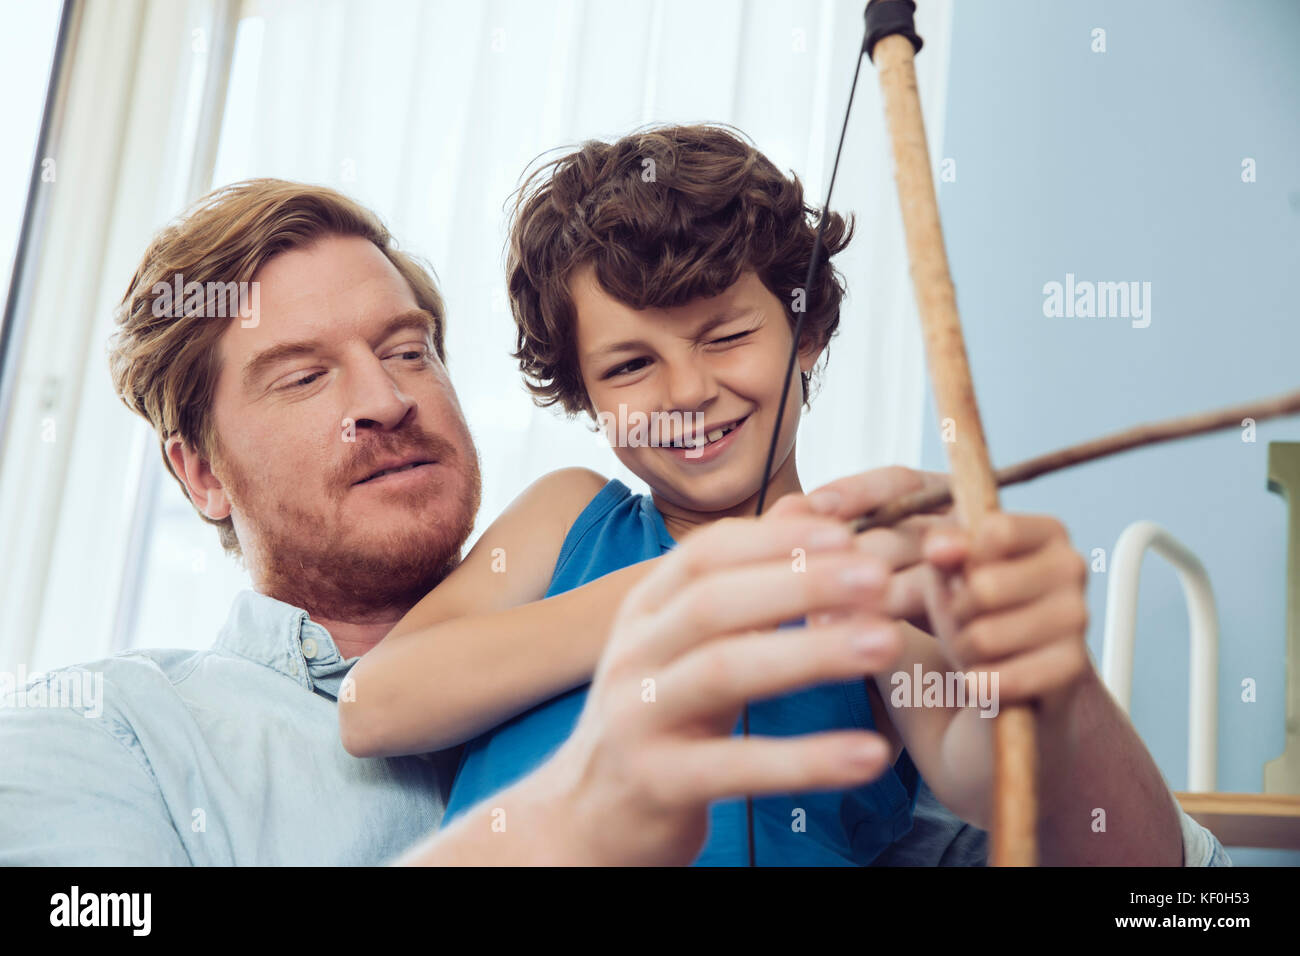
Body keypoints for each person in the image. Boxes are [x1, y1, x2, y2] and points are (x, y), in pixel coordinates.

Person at [0, 177, 1227, 866]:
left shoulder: (851, 601)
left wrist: (1039, 686)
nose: (383, 399)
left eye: (407, 349)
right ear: (198, 473)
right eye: (305, 375)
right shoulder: (106, 734)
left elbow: (1163, 885)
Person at [340, 125, 1085, 865]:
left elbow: (986, 782)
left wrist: (1011, 654)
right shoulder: (570, 517)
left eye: (726, 337)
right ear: (585, 395)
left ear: (809, 330)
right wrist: (717, 579)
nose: (687, 393)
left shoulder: (870, 560)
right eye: (630, 366)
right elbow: (374, 707)